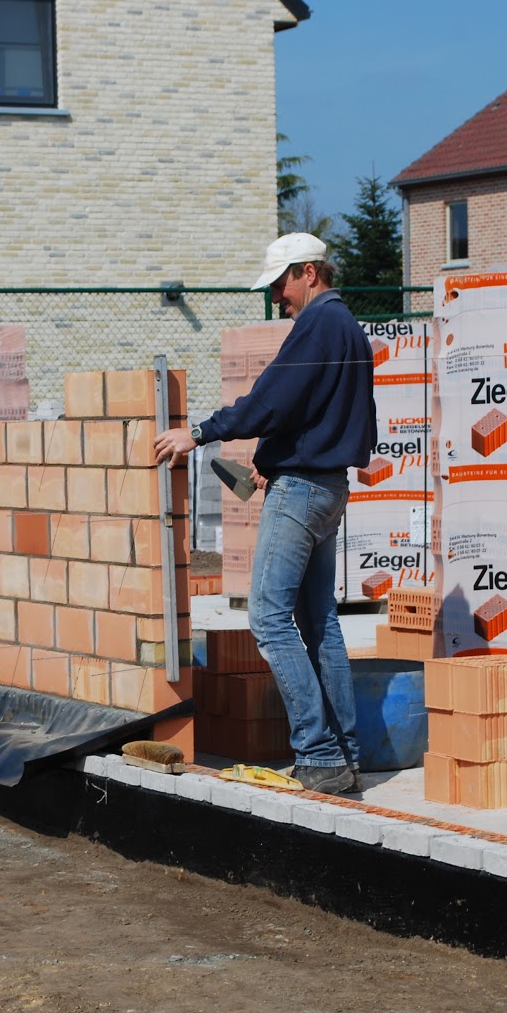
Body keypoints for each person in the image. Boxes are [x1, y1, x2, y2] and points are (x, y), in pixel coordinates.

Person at [154, 234, 376, 794]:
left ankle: (319, 754)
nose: (277, 297)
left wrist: (199, 432)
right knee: (319, 621)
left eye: (281, 284)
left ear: (308, 273)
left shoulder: (318, 325)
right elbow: (321, 412)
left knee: (269, 619)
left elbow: (271, 400)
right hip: (327, 486)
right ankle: (345, 756)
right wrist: (275, 458)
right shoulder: (348, 327)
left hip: (302, 491)